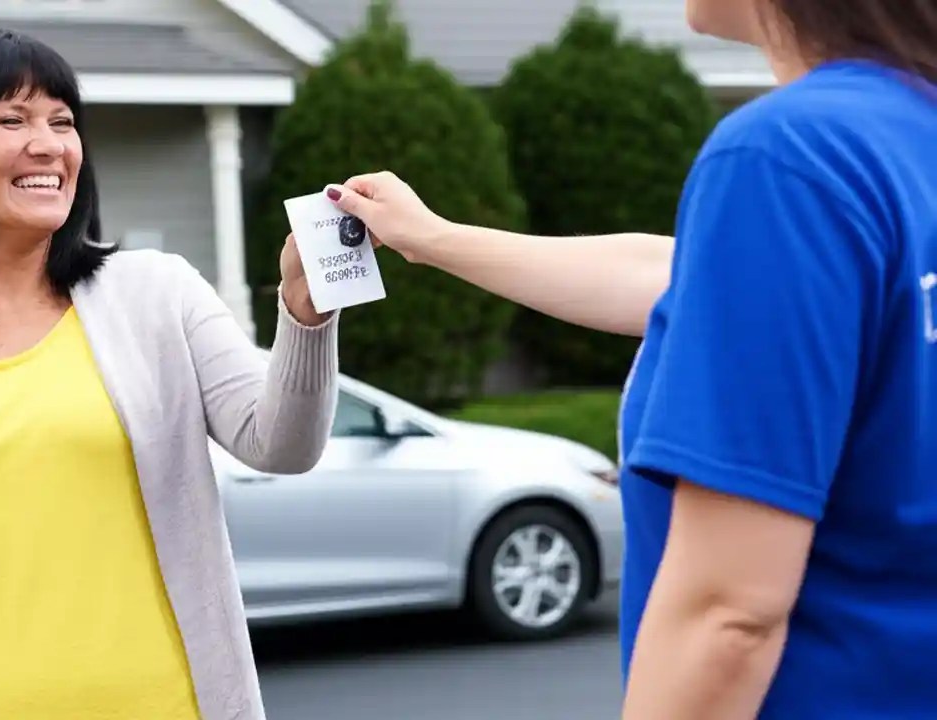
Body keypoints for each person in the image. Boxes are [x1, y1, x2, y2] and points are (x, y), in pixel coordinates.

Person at [327, 0, 937, 715]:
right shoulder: (902, 143)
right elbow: (672, 274)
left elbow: (727, 615)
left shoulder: (789, 158)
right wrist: (430, 238)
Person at [0, 29, 340, 720]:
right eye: (11, 119)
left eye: (63, 121)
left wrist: (305, 317)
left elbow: (283, 445)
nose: (49, 144)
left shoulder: (157, 292)